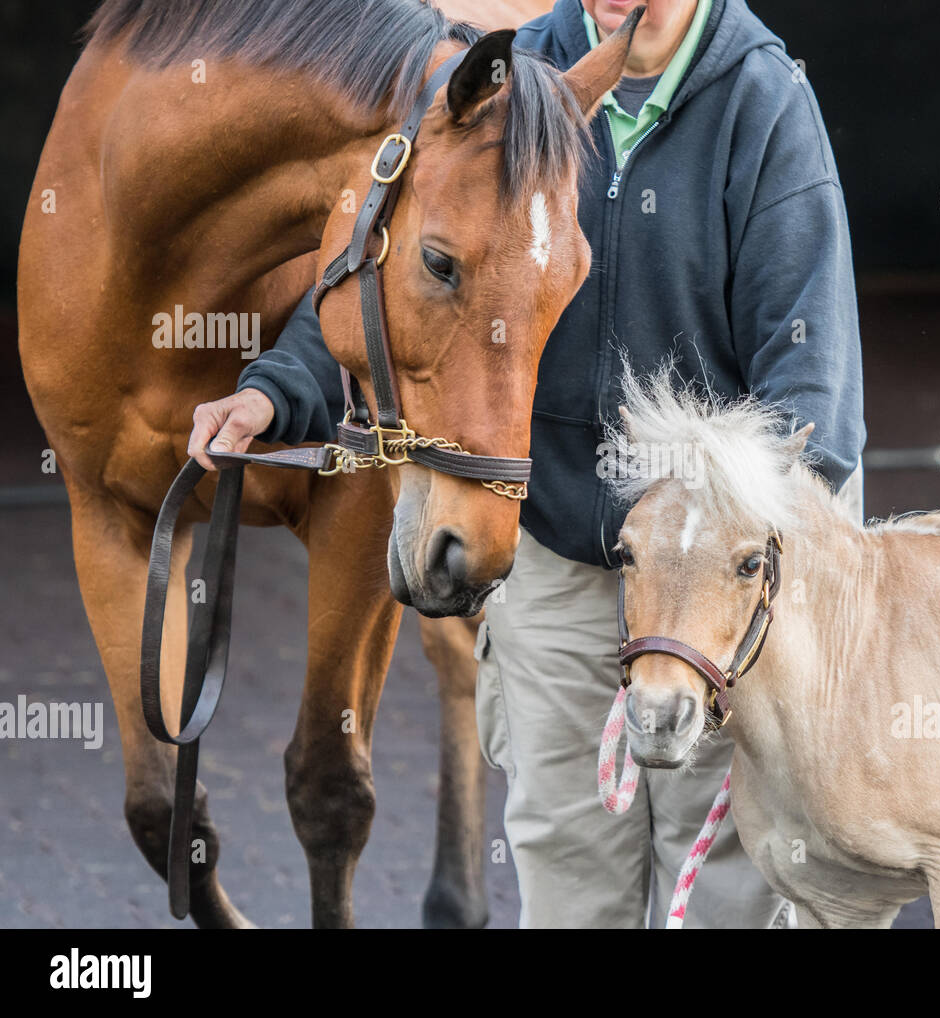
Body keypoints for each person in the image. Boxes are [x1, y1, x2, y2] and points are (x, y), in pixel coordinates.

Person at [188, 0, 865, 929]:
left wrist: (752, 576)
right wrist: (273, 390)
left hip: (705, 580)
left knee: (724, 892)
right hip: (552, 554)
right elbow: (386, 267)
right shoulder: (499, 84)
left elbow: (810, 386)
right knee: (564, 863)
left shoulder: (764, 102)